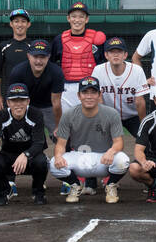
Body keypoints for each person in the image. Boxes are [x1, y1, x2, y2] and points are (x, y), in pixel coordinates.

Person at [50, 76, 130, 204]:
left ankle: (111, 185)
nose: (89, 96)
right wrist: (59, 156)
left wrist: (111, 152)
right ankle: (75, 185)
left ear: (99, 95)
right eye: (85, 92)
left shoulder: (111, 114)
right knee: (54, 163)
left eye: (93, 92)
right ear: (79, 95)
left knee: (122, 160)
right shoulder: (69, 114)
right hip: (79, 158)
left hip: (104, 159)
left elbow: (118, 142)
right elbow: (60, 144)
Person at [0, 85, 49, 206]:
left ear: (28, 101)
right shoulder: (1, 116)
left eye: (22, 100)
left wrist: (26, 155)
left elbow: (39, 143)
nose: (18, 104)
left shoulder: (36, 114)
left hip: (31, 158)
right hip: (8, 157)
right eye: (14, 100)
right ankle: (4, 192)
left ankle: (38, 192)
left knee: (42, 161)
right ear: (8, 102)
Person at [53, 1, 106, 114]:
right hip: (66, 87)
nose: (77, 20)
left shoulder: (97, 39)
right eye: (74, 16)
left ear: (86, 19)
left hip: (91, 87)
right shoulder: (59, 39)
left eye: (81, 17)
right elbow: (51, 64)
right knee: (68, 123)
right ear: (68, 18)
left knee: (91, 123)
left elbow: (104, 63)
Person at [5, 39, 64, 135]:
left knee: (60, 136)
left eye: (42, 57)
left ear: (48, 57)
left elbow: (56, 104)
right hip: (26, 106)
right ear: (28, 56)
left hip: (49, 106)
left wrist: (58, 127)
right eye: (35, 56)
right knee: (19, 137)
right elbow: (13, 100)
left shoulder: (56, 72)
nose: (38, 61)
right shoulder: (18, 71)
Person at [92, 36, 148, 135]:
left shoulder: (136, 70)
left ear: (125, 55)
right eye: (112, 51)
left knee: (146, 140)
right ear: (106, 55)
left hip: (132, 116)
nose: (116, 55)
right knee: (100, 140)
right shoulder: (98, 70)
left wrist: (143, 124)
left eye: (119, 51)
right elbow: (98, 99)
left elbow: (140, 101)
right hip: (108, 116)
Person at [0, 7, 37, 101]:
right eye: (16, 21)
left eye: (23, 21)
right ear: (11, 24)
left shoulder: (34, 47)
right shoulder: (3, 47)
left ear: (28, 24)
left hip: (31, 94)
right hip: (8, 94)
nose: (20, 25)